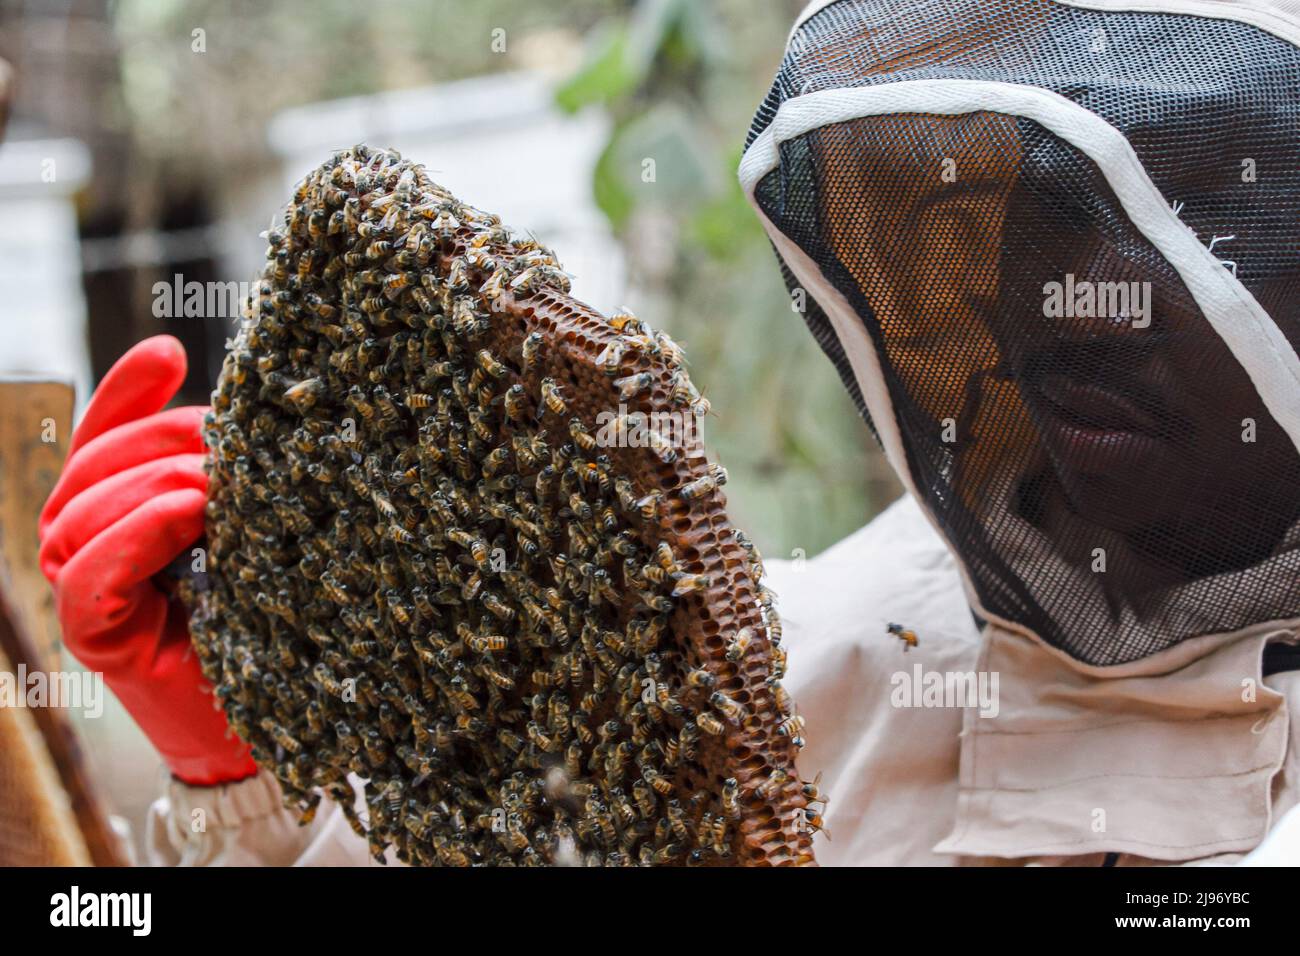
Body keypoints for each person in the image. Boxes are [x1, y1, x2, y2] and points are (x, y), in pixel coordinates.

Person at [40, 0, 1300, 865]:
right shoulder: (796, 657)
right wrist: (242, 767)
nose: (1086, 297)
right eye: (1057, 197)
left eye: (1202, 210)